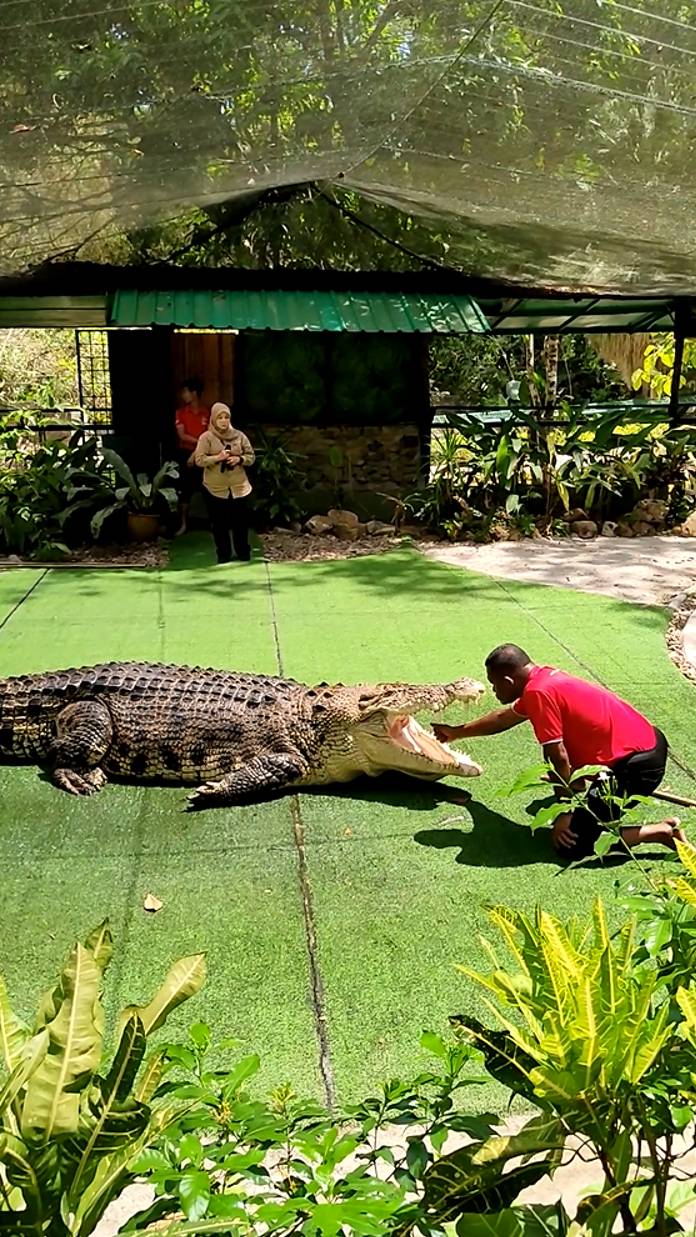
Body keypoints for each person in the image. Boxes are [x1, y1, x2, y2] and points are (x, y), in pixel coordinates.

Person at [433, 643, 685, 859]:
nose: (494, 690)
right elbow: (503, 719)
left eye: (494, 684)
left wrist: (564, 810)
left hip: (637, 767)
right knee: (559, 789)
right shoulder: (542, 678)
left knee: (572, 845)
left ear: (508, 681)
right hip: (645, 742)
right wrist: (456, 732)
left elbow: (557, 756)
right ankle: (581, 788)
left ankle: (661, 832)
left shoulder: (538, 693)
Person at [194, 402, 255, 564]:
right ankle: (224, 553)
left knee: (240, 522)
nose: (223, 421)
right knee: (219, 524)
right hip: (215, 487)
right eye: (220, 417)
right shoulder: (206, 437)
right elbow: (199, 460)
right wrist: (217, 458)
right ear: (213, 419)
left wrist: (239, 459)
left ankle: (243, 551)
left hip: (239, 486)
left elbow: (251, 456)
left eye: (226, 417)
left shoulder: (239, 436)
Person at [174, 377, 210, 536]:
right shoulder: (181, 413)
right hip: (185, 453)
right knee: (185, 490)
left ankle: (213, 522)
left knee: (209, 488)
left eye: (185, 392)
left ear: (194, 393)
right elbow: (182, 436)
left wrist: (196, 454)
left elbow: (209, 436)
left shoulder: (207, 413)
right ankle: (183, 524)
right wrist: (197, 447)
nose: (183, 395)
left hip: (205, 454)